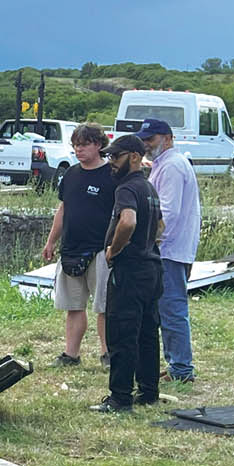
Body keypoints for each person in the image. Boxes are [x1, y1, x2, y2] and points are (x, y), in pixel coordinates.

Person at [91, 134, 164, 413]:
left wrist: (113, 251)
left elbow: (128, 221)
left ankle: (120, 398)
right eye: (109, 156)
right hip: (152, 268)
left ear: (134, 157)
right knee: (148, 332)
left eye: (116, 156)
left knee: (122, 333)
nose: (111, 162)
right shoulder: (148, 187)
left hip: (130, 270)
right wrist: (147, 245)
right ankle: (148, 392)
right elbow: (160, 226)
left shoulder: (126, 188)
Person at [40, 123, 116, 367]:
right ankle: (71, 355)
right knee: (73, 306)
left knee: (104, 306)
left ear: (98, 145)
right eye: (75, 145)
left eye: (84, 145)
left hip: (100, 251)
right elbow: (63, 209)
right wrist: (51, 241)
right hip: (71, 249)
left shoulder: (111, 175)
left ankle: (108, 354)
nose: (78, 150)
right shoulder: (71, 174)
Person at [135, 117, 201, 382]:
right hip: (170, 248)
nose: (146, 145)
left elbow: (168, 212)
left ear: (168, 138)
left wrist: (151, 241)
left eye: (150, 139)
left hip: (169, 249)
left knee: (172, 309)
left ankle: (182, 369)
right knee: (166, 309)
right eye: (144, 140)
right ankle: (176, 363)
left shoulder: (172, 165)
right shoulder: (164, 164)